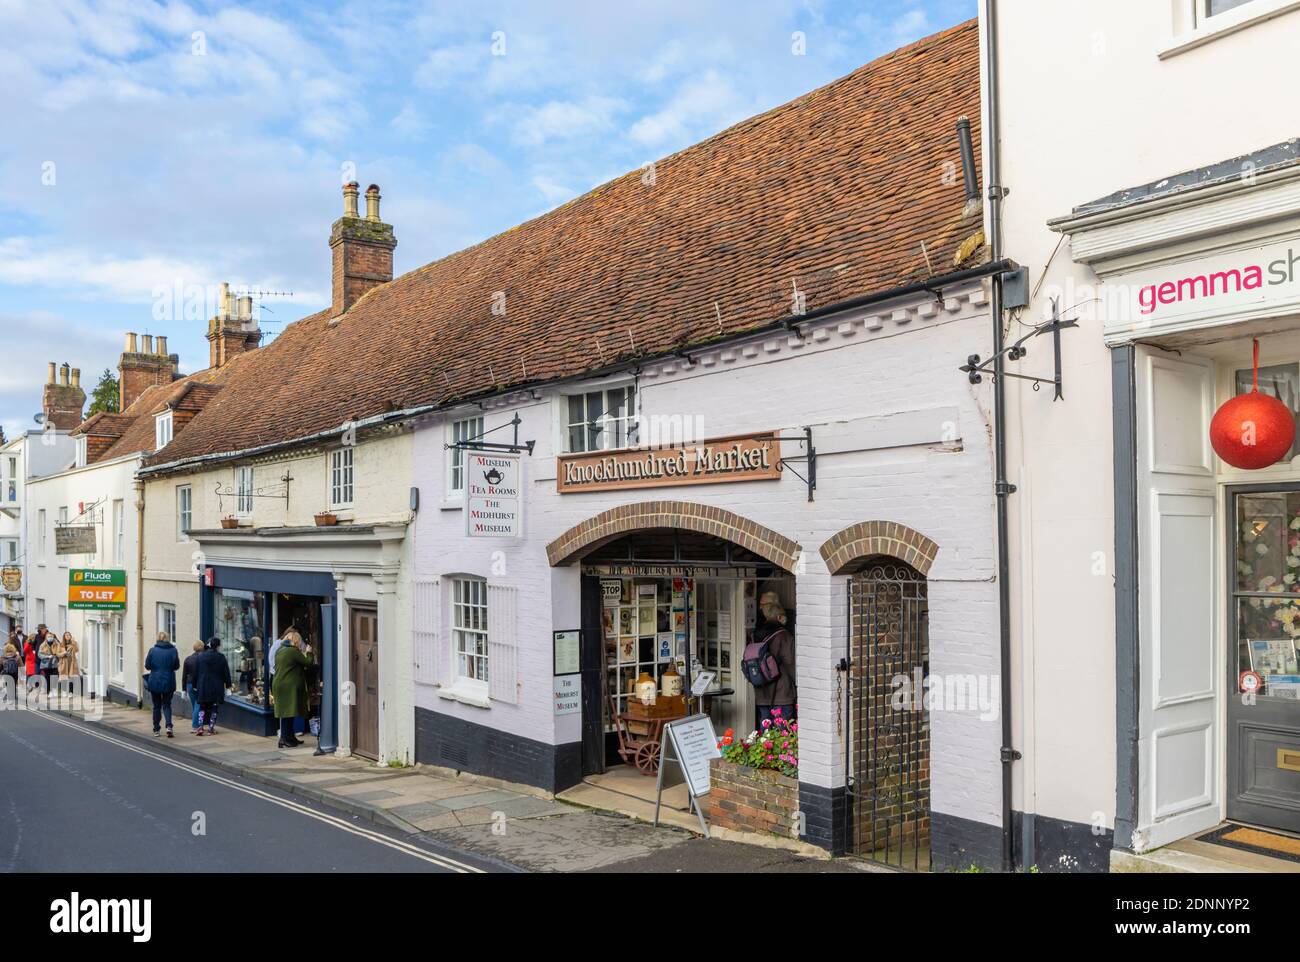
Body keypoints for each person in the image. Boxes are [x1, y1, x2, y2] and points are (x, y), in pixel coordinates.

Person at [751, 591, 796, 725]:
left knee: (766, 733)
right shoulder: (784, 635)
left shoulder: (755, 634)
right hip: (781, 692)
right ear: (779, 617)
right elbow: (790, 663)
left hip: (761, 691)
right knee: (783, 734)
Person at [271, 632, 312, 748]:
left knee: (288, 712)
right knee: (287, 713)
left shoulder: (280, 650)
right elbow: (307, 662)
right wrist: (309, 652)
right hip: (287, 686)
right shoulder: (292, 652)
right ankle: (284, 739)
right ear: (296, 640)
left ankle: (290, 737)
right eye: (299, 641)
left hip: (279, 684)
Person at [143, 631, 181, 737]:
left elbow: (147, 666)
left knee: (156, 706)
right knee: (167, 705)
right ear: (167, 639)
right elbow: (176, 666)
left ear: (158, 639)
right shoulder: (173, 651)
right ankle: (169, 726)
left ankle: (156, 729)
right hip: (169, 680)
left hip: (155, 681)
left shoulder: (152, 650)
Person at [192, 637, 231, 735]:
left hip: (203, 685)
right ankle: (210, 728)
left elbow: (195, 672)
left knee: (202, 706)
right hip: (216, 686)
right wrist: (228, 686)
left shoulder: (200, 656)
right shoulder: (221, 657)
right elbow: (226, 673)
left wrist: (194, 685)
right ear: (217, 646)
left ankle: (200, 727)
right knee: (214, 707)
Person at [180, 640, 205, 733]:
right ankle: (196, 726)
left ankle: (199, 725)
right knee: (198, 705)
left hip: (189, 684)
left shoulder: (188, 659)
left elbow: (184, 675)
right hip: (199, 684)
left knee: (195, 705)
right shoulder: (203, 659)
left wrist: (183, 690)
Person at [37, 629, 62, 702]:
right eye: (48, 636)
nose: (50, 638)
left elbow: (60, 652)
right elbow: (39, 654)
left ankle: (53, 689)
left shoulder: (57, 644)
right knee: (48, 679)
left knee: (55, 677)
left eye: (51, 636)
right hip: (46, 664)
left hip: (54, 663)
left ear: (53, 637)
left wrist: (58, 656)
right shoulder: (43, 645)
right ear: (46, 637)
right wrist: (47, 657)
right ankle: (49, 692)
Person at [2, 634, 21, 702]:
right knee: (12, 684)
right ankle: (12, 695)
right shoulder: (17, 657)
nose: (9, 653)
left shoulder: (3, 657)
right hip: (13, 673)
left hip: (8, 673)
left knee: (10, 684)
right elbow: (21, 665)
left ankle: (10, 695)